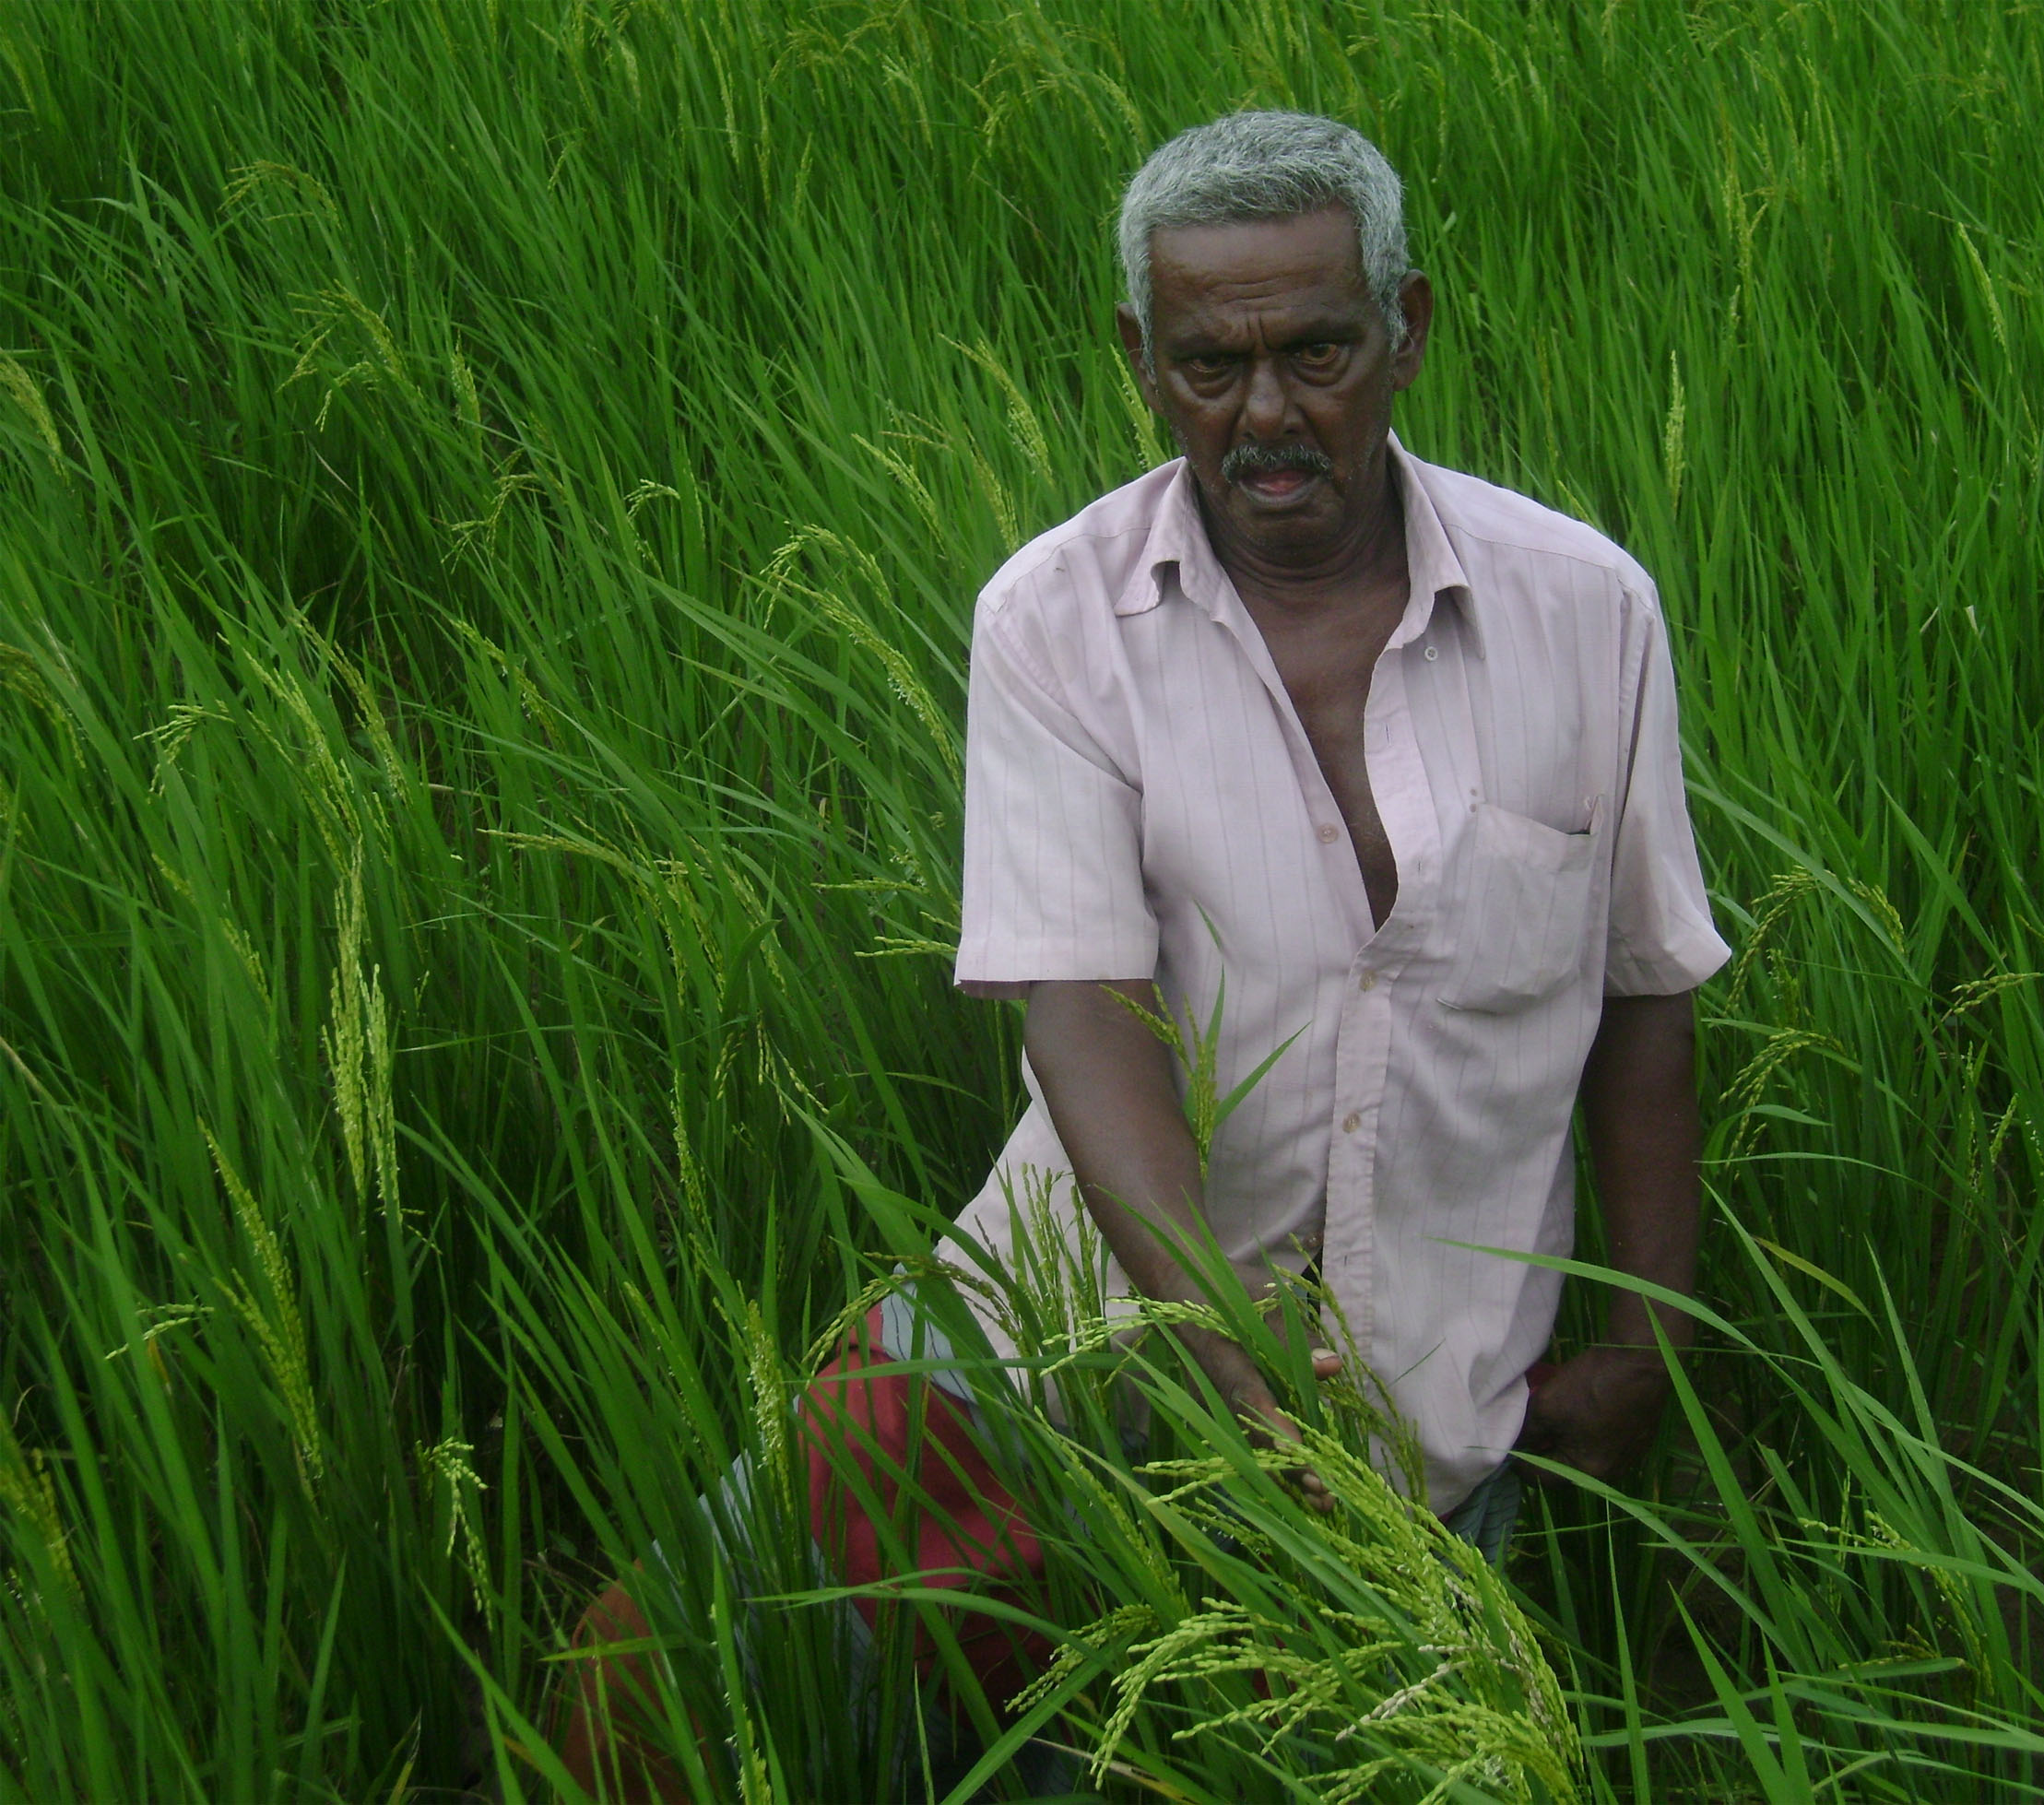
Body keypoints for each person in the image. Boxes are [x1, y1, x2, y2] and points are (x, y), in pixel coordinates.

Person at [559, 107, 1728, 1801]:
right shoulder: (1053, 619)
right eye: (1208, 366)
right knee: (656, 1694)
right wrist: (1232, 1382)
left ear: (1407, 329)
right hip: (1061, 1321)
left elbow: (1644, 1004)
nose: (1265, 414)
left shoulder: (1587, 611)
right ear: (1141, 356)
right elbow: (1081, 1010)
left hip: (1423, 1413)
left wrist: (1653, 1346)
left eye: (1316, 351)